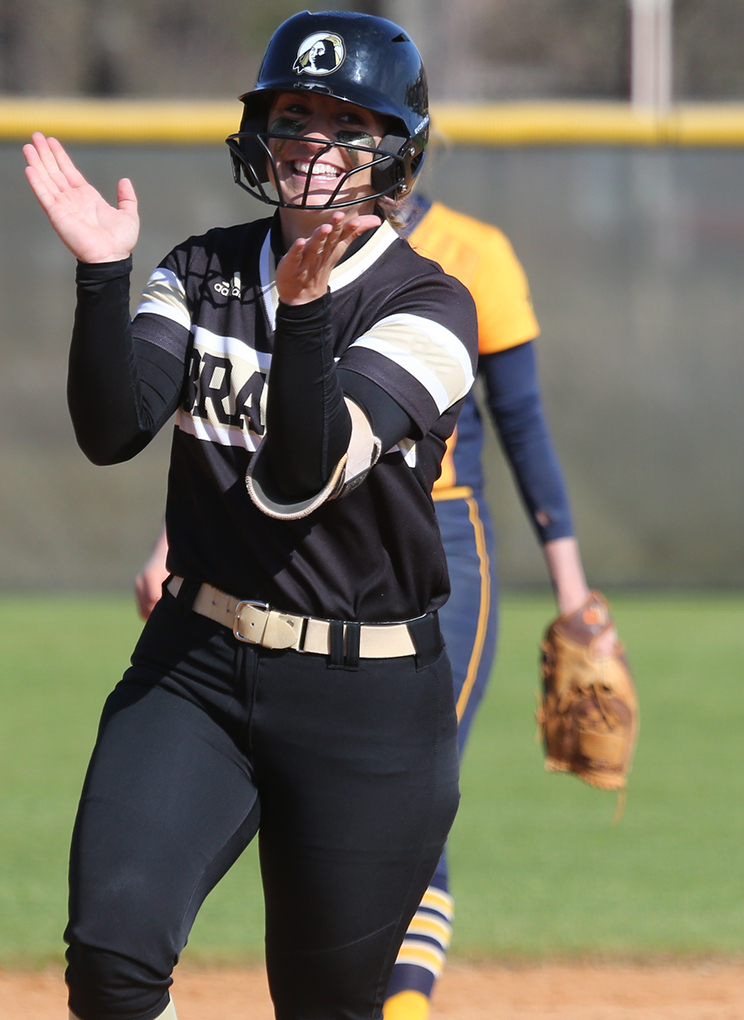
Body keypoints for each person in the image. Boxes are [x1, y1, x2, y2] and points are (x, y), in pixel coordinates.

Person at [24, 11, 479, 1020]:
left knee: (325, 1006)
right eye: (292, 114)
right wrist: (103, 277)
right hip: (197, 667)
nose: (310, 140)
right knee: (112, 957)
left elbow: (297, 481)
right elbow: (114, 428)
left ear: (394, 147)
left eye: (342, 121)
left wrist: (307, 316)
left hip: (365, 700)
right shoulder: (201, 271)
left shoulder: (431, 307)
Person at [135, 188, 608, 1020]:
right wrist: (172, 545)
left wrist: (573, 592)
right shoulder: (267, 249)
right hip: (269, 534)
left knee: (409, 783)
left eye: (359, 122)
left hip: (433, 536)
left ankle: (404, 1007)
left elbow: (523, 424)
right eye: (312, 117)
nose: (327, 141)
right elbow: (221, 418)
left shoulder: (469, 253)